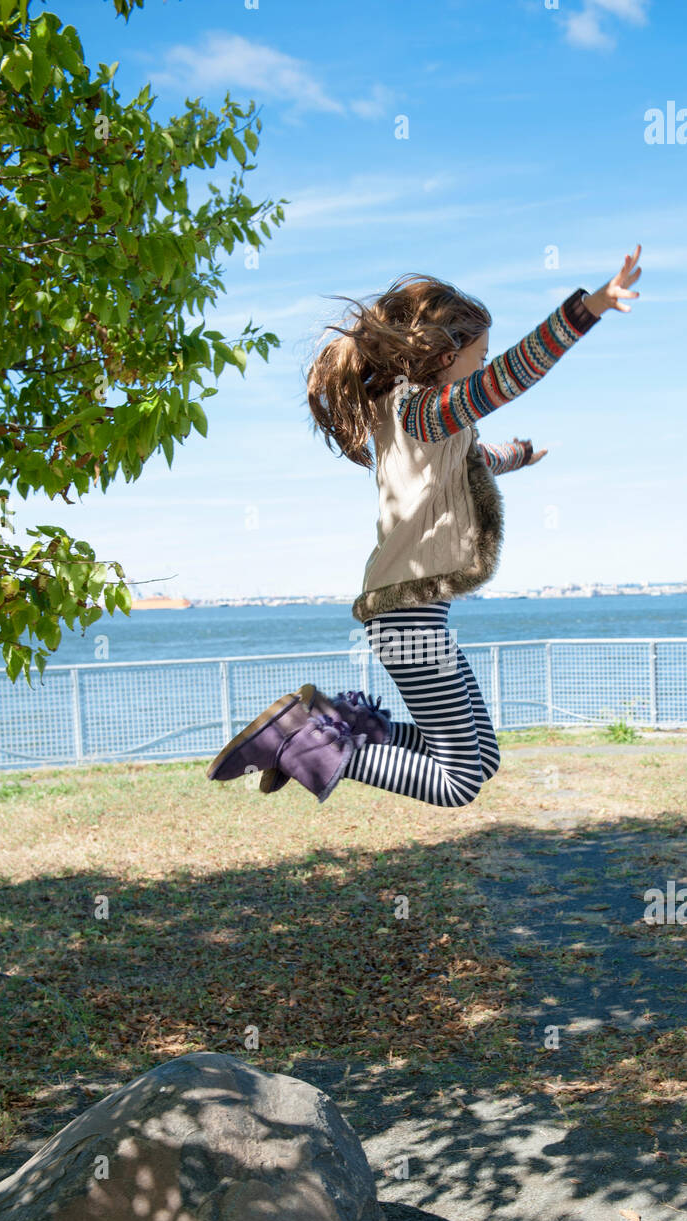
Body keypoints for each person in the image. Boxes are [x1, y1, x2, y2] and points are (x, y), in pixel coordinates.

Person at [206, 248, 642, 805]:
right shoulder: (422, 411)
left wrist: (525, 452)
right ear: (442, 358)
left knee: (481, 757)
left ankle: (344, 727)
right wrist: (588, 309)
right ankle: (302, 741)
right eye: (477, 358)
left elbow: (476, 458)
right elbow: (509, 378)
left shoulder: (423, 423)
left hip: (414, 614)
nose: (484, 369)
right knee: (458, 784)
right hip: (406, 617)